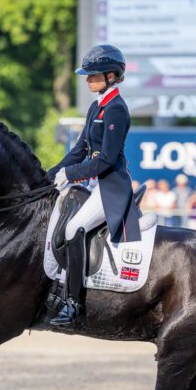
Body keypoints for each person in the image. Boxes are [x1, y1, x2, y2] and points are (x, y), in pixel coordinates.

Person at [46, 44, 140, 326]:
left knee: (74, 228)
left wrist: (71, 174)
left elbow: (106, 159)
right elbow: (79, 151)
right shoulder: (96, 106)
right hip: (91, 184)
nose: (87, 79)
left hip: (110, 186)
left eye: (93, 75)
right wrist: (50, 174)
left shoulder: (116, 109)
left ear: (111, 76)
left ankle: (74, 303)